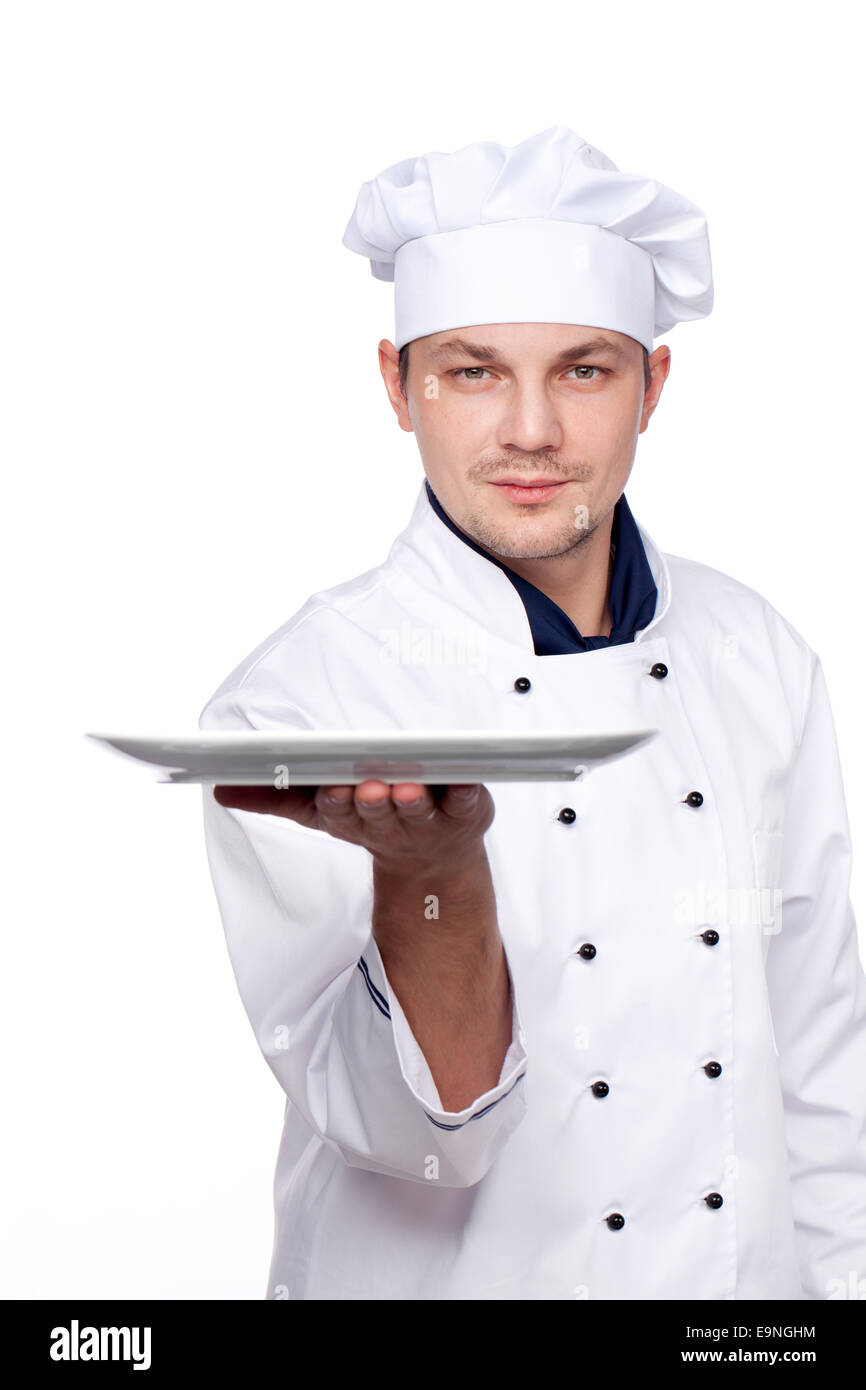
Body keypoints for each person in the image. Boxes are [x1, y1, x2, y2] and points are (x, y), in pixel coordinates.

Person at [198, 126, 866, 1300]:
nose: (529, 432)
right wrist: (434, 876)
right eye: (471, 370)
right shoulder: (301, 698)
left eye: (583, 369)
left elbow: (824, 1068)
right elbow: (410, 1134)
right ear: (396, 388)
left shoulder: (755, 656)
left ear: (653, 387)